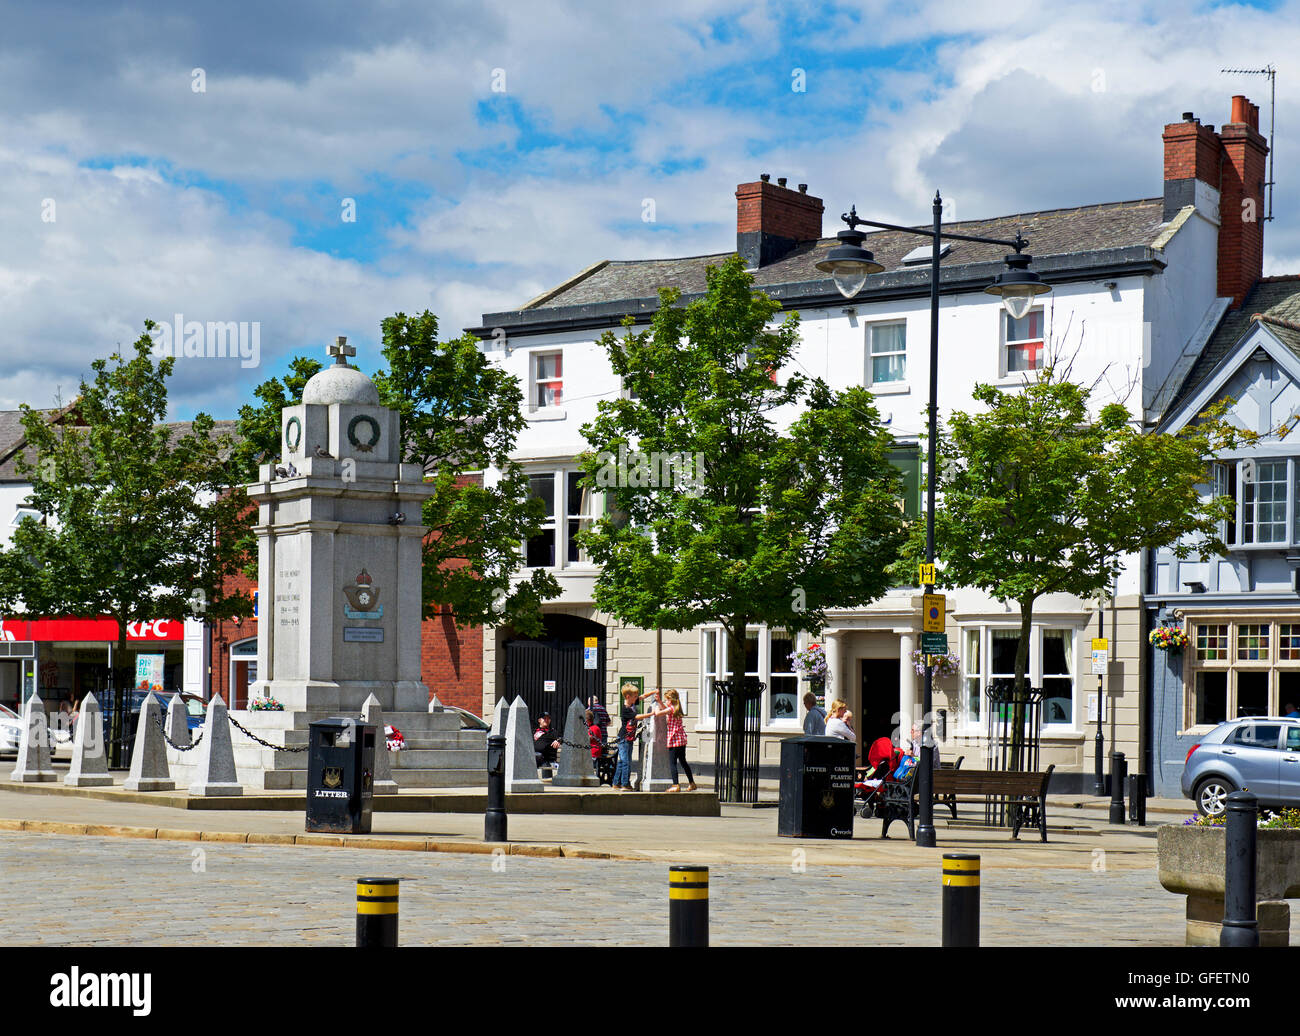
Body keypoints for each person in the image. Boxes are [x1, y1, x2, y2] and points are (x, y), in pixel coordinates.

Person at [646, 689, 696, 792]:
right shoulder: (676, 708)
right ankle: (692, 783)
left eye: (667, 700)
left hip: (674, 739)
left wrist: (655, 708)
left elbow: (659, 713)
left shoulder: (671, 709)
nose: (666, 702)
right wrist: (660, 702)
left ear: (671, 700)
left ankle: (675, 785)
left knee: (672, 763)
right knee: (683, 762)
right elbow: (665, 709)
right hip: (681, 739)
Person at [613, 683, 644, 791]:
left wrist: (654, 692)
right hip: (624, 738)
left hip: (629, 738)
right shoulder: (626, 709)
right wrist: (652, 714)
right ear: (628, 697)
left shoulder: (632, 703)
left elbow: (642, 697)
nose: (637, 698)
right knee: (626, 761)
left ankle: (616, 783)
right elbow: (637, 717)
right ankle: (625, 784)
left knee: (622, 761)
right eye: (635, 696)